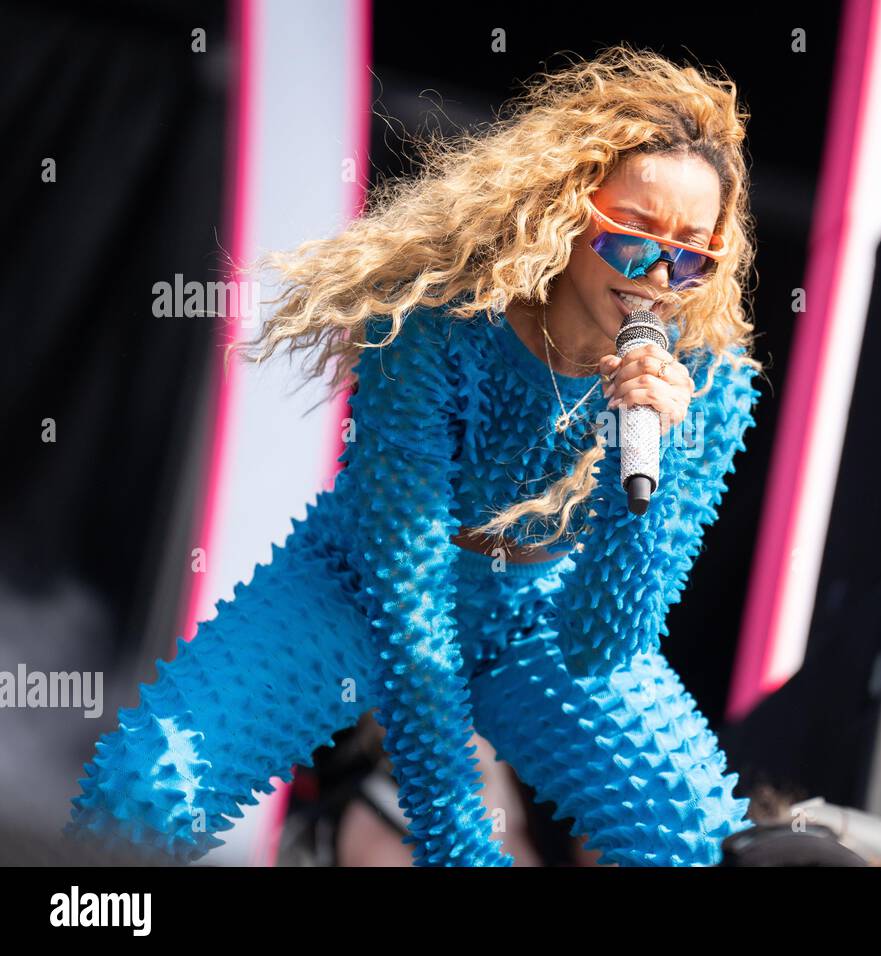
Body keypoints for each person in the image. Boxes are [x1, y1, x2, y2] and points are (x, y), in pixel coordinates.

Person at [65, 44, 766, 867]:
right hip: (361, 586)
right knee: (140, 793)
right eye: (633, 237)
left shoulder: (705, 384)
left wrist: (648, 450)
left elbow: (607, 640)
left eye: (691, 254)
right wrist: (457, 836)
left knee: (702, 850)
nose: (657, 274)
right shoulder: (437, 321)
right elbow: (409, 593)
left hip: (541, 618)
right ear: (566, 211)